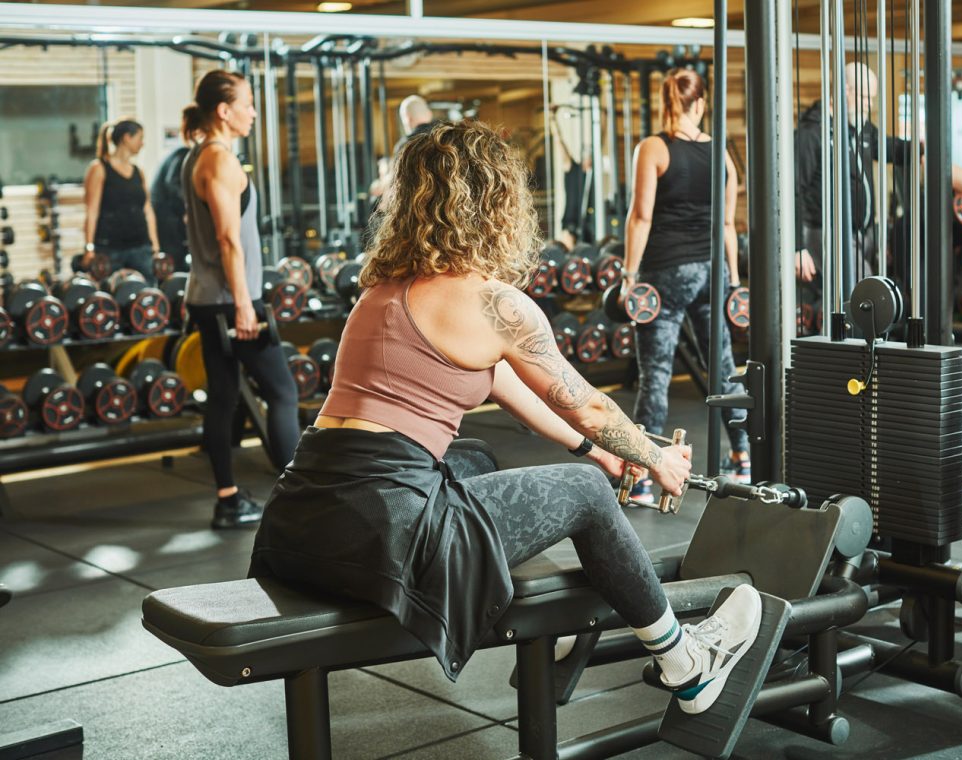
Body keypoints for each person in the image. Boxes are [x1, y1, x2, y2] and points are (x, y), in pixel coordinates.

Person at [248, 119, 763, 715]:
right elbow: (591, 403)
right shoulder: (494, 303)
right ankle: (687, 663)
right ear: (496, 200)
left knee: (473, 460)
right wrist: (654, 457)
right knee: (589, 494)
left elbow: (501, 379)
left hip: (300, 518)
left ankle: (551, 618)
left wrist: (589, 447)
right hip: (384, 535)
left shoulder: (381, 292)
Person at [621, 68, 750, 499]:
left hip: (665, 271)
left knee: (656, 373)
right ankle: (744, 457)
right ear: (702, 103)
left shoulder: (654, 148)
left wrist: (628, 277)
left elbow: (640, 217)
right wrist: (732, 278)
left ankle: (641, 476)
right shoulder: (723, 156)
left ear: (666, 100)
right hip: (710, 270)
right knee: (725, 369)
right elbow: (729, 224)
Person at [181, 69, 301, 530]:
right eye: (248, 104)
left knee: (225, 397)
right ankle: (298, 503)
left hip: (211, 297)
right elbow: (228, 239)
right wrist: (244, 305)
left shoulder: (200, 155)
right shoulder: (218, 161)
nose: (253, 112)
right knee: (283, 393)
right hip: (231, 300)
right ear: (223, 111)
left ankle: (229, 499)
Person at [793, 62, 912, 298]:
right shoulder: (811, 134)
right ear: (844, 90)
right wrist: (798, 247)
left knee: (849, 299)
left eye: (872, 98)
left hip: (863, 233)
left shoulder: (859, 127)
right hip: (830, 233)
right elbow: (793, 190)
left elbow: (886, 148)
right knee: (867, 297)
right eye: (865, 97)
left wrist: (918, 148)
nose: (869, 104)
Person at [81, 118, 162, 284]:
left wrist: (155, 247)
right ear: (127, 138)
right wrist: (89, 247)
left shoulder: (138, 172)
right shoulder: (99, 169)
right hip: (110, 248)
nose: (142, 143)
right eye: (140, 138)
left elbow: (147, 211)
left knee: (148, 295)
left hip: (140, 247)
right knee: (112, 297)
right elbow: (92, 211)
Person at [550, 105, 595, 249]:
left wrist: (604, 117)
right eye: (586, 153)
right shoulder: (572, 168)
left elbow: (602, 138)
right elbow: (559, 141)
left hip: (589, 223)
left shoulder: (592, 174)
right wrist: (552, 118)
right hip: (570, 222)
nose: (588, 157)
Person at [151, 144, 192, 272]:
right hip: (167, 217)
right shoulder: (183, 154)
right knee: (173, 259)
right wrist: (187, 209)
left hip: (168, 216)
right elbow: (172, 182)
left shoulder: (181, 154)